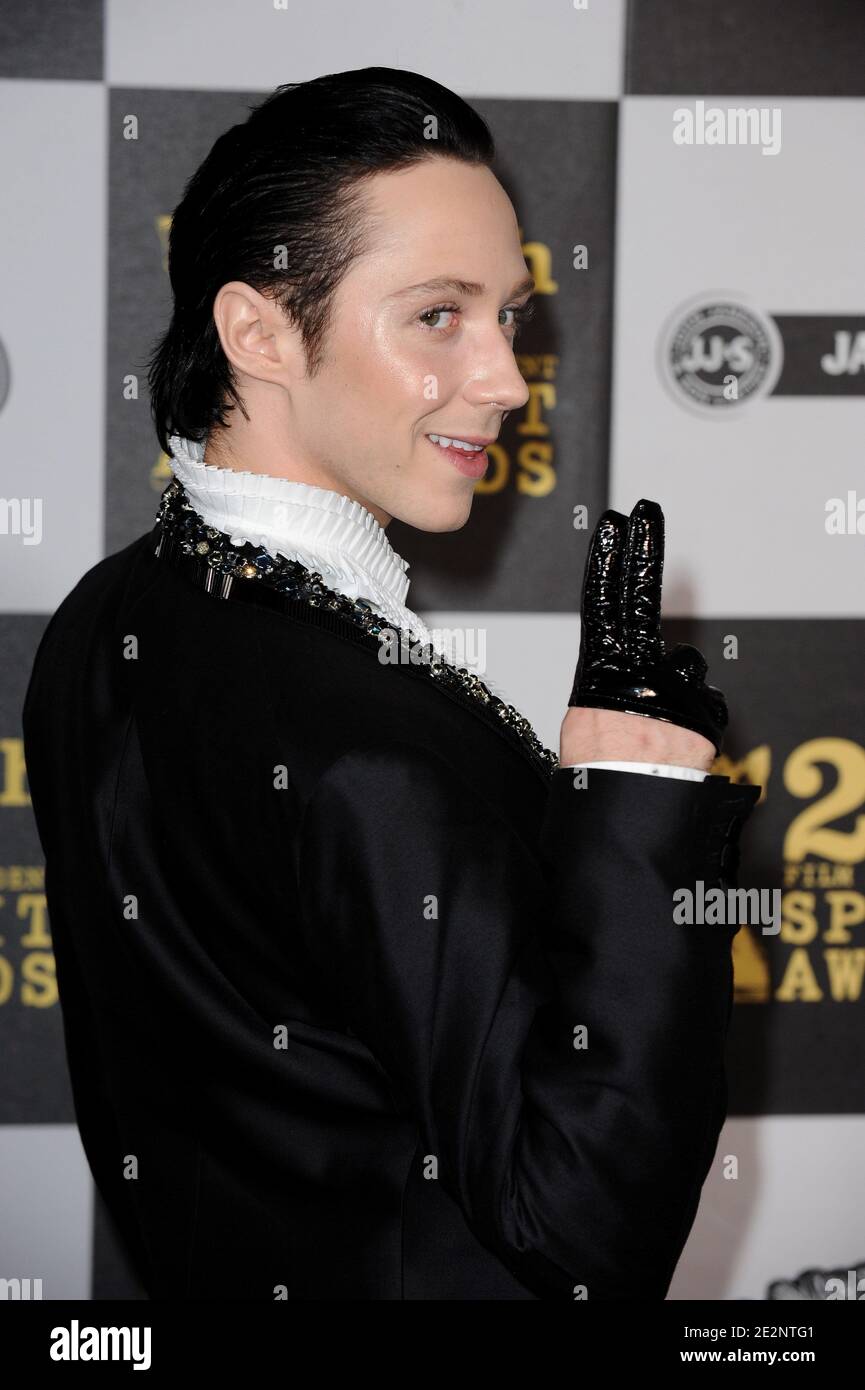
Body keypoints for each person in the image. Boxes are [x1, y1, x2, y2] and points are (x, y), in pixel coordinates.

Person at [22, 67, 760, 1301]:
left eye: (508, 316)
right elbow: (578, 1227)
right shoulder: (366, 746)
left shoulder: (107, 618)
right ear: (256, 333)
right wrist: (634, 806)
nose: (507, 380)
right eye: (437, 316)